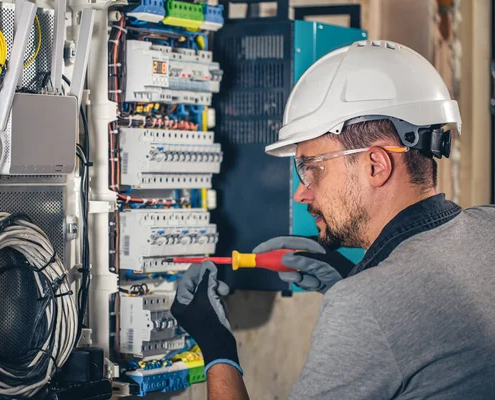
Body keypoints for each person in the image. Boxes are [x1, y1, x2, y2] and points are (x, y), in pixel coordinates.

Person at [171, 41, 495, 399]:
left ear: (376, 165)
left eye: (312, 169)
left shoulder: (365, 307)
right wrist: (356, 275)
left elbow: (394, 312)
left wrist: (218, 350)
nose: (301, 193)